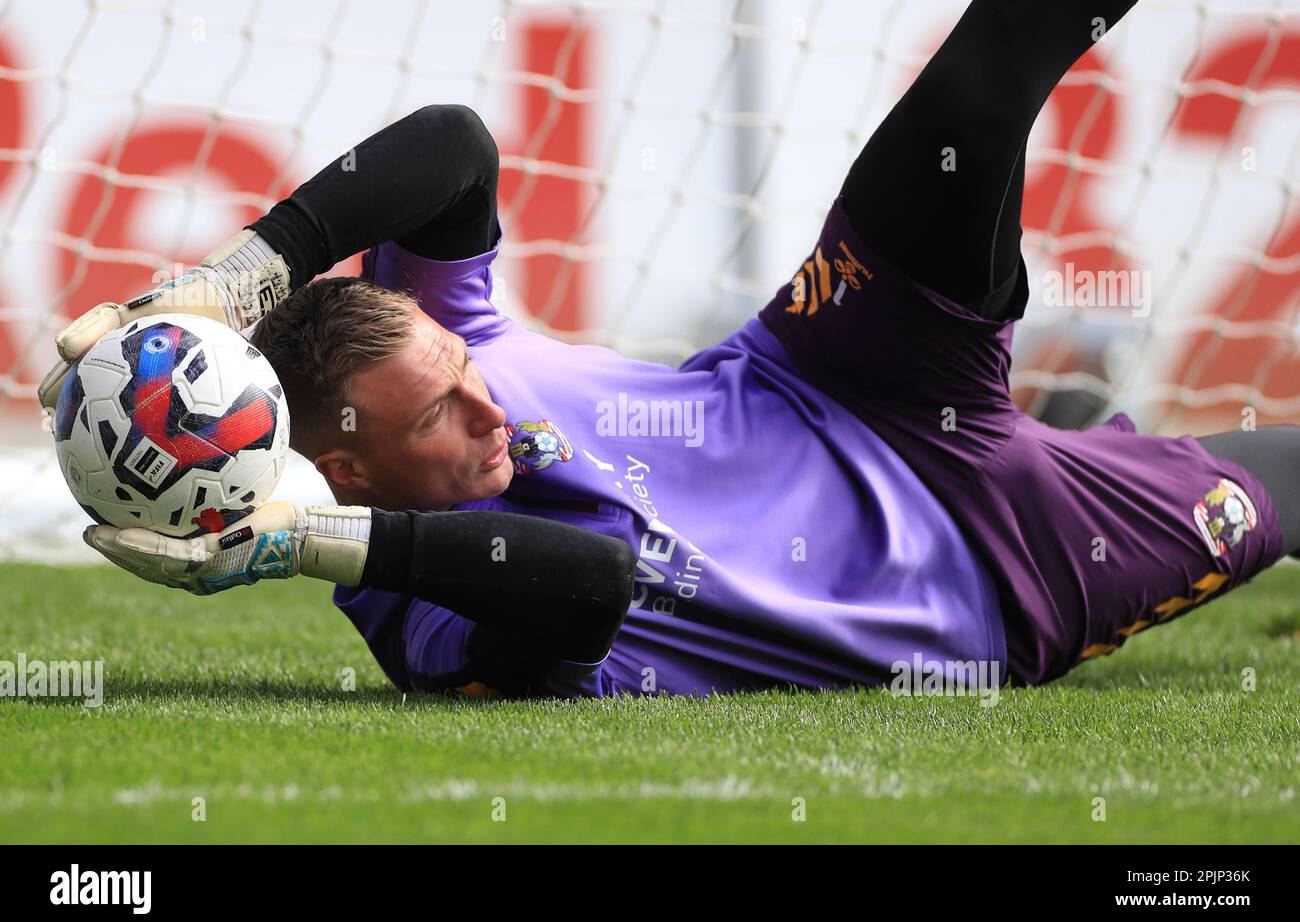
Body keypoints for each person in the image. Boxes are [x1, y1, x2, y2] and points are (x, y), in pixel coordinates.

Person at [51, 0, 1299, 699]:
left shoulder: (435, 334)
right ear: (346, 473)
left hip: (832, 374)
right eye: (435, 418)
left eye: (460, 371)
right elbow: (584, 584)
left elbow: (452, 141)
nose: (488, 412)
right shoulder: (419, 613)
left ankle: (1063, 403)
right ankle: (1076, 433)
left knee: (982, 88)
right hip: (995, 564)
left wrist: (232, 277)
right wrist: (294, 542)